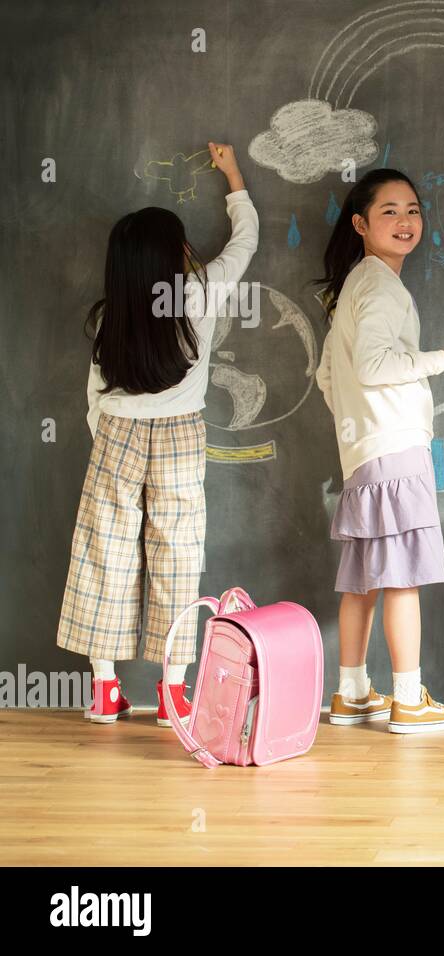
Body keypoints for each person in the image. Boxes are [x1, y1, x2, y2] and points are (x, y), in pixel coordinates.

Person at [58, 142, 258, 726]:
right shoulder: (199, 294)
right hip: (178, 438)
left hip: (117, 436)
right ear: (174, 257)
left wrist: (109, 435)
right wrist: (233, 176)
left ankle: (103, 691)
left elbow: (95, 398)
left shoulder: (108, 314)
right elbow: (244, 244)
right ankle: (174, 694)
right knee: (176, 557)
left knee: (106, 556)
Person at [315, 168, 444, 733]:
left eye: (413, 210)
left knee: (364, 574)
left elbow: (327, 374)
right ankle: (407, 700)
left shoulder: (355, 287)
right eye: (389, 211)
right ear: (360, 223)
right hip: (393, 449)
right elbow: (370, 367)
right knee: (403, 576)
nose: (406, 221)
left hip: (365, 451)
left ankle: (350, 694)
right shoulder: (381, 287)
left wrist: (358, 422)